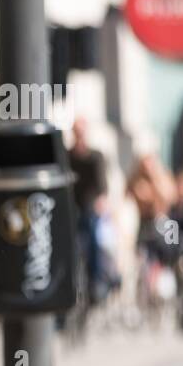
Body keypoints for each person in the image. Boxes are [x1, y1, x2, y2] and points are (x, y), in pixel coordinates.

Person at [67, 117, 112, 301]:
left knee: (94, 238)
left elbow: (102, 185)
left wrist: (101, 201)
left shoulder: (95, 156)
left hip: (90, 208)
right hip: (71, 209)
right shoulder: (67, 155)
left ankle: (96, 281)